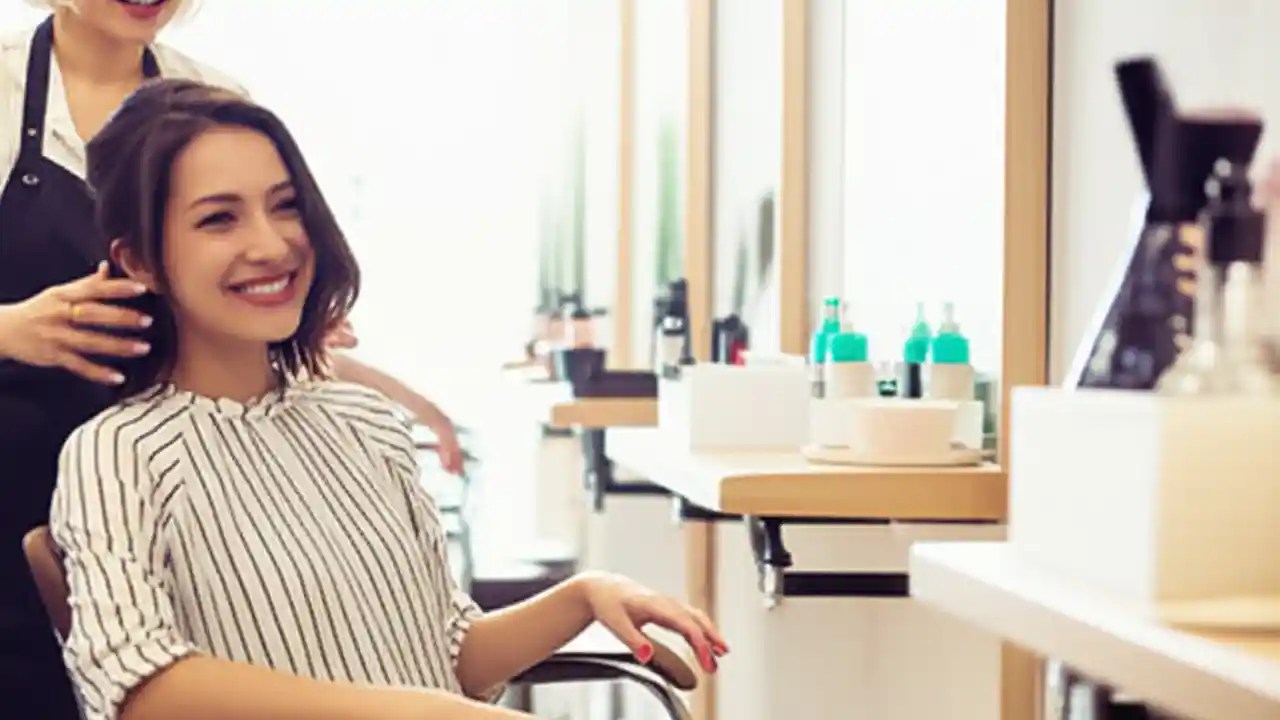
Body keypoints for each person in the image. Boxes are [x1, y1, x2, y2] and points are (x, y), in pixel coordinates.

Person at [50, 78, 727, 720]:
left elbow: (450, 652)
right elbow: (142, 689)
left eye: (286, 206)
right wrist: (412, 710)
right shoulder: (117, 454)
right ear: (139, 261)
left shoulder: (367, 424)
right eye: (219, 219)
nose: (272, 242)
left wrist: (582, 596)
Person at [0, 4, 462, 716]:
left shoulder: (215, 101)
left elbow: (243, 319)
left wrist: (398, 401)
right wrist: (9, 329)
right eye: (219, 216)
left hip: (178, 491)